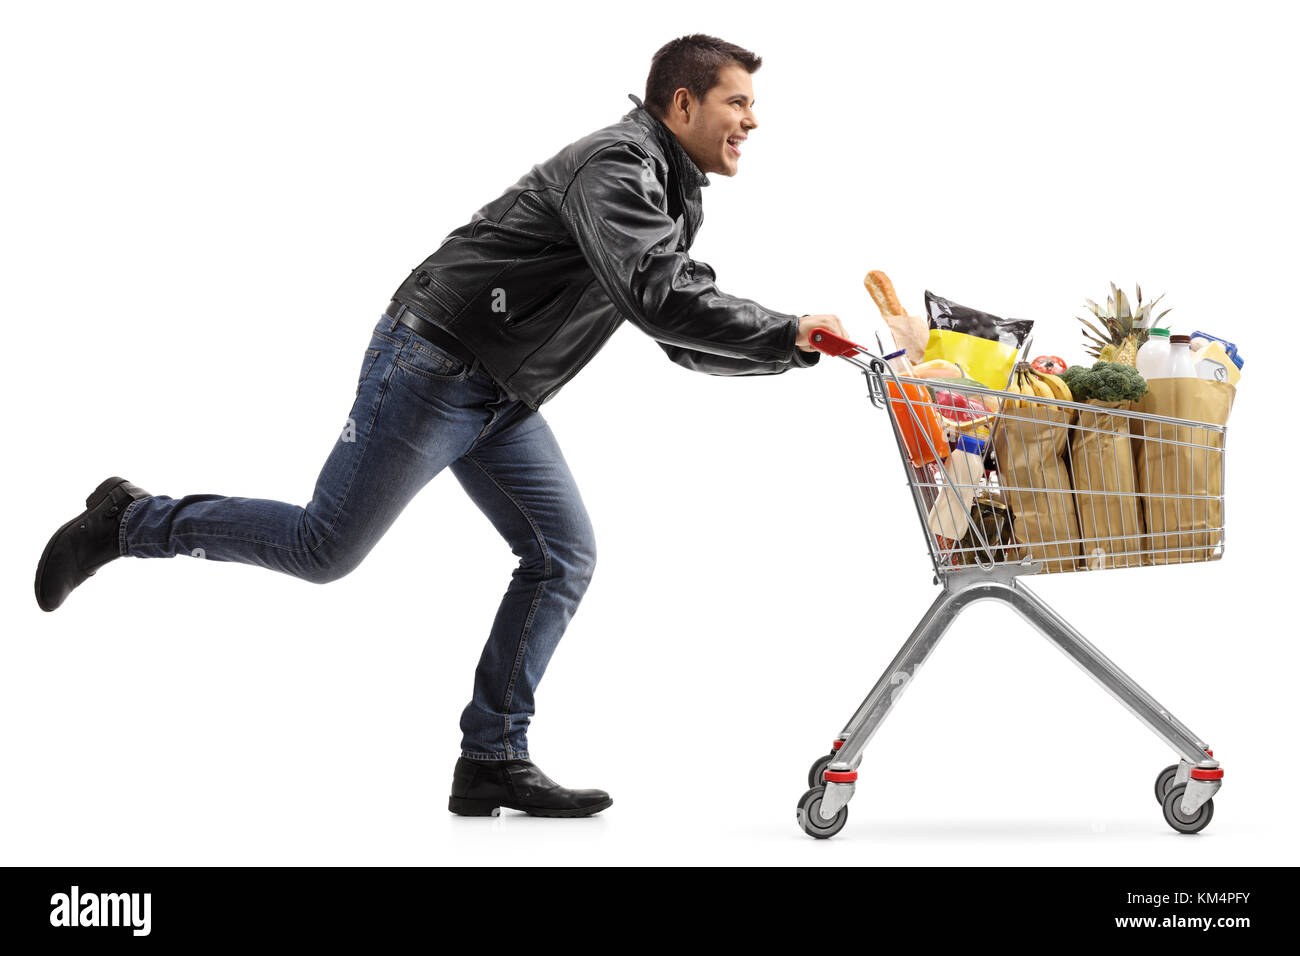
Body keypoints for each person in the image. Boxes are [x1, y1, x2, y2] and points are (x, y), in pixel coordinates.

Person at [34, 34, 850, 819]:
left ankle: (492, 756)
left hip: (499, 393)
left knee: (561, 555)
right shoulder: (617, 165)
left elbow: (673, 332)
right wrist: (785, 328)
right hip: (435, 363)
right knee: (325, 550)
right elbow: (658, 295)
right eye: (737, 102)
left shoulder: (668, 190)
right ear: (682, 103)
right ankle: (132, 520)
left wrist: (793, 348)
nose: (752, 121)